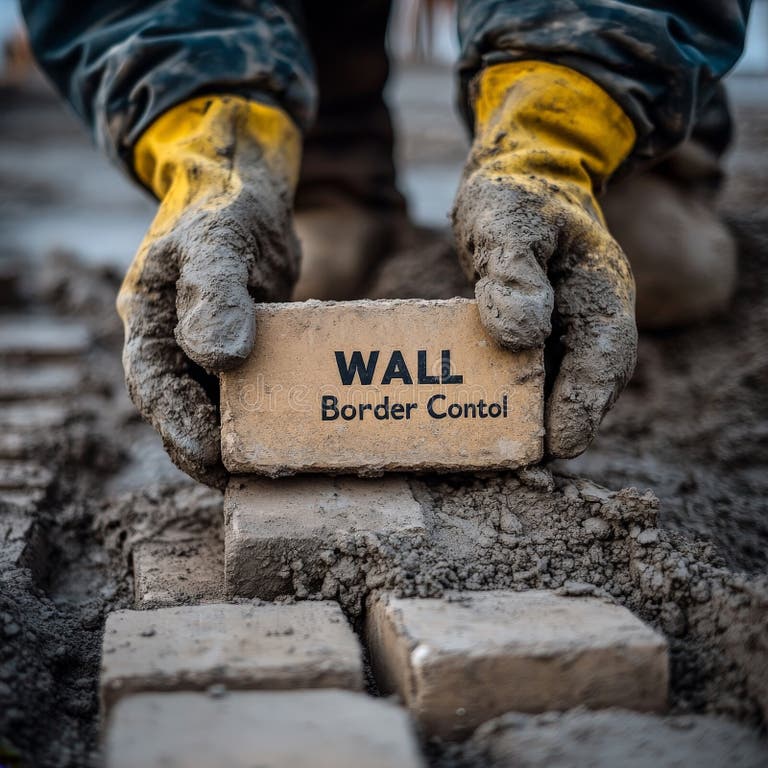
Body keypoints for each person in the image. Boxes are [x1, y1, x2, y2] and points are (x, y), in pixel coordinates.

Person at [20, 1, 750, 487]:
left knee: (658, 265)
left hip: (601, 41)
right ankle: (321, 171)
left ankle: (615, 139)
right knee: (311, 270)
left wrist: (558, 142)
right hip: (272, 50)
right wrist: (214, 156)